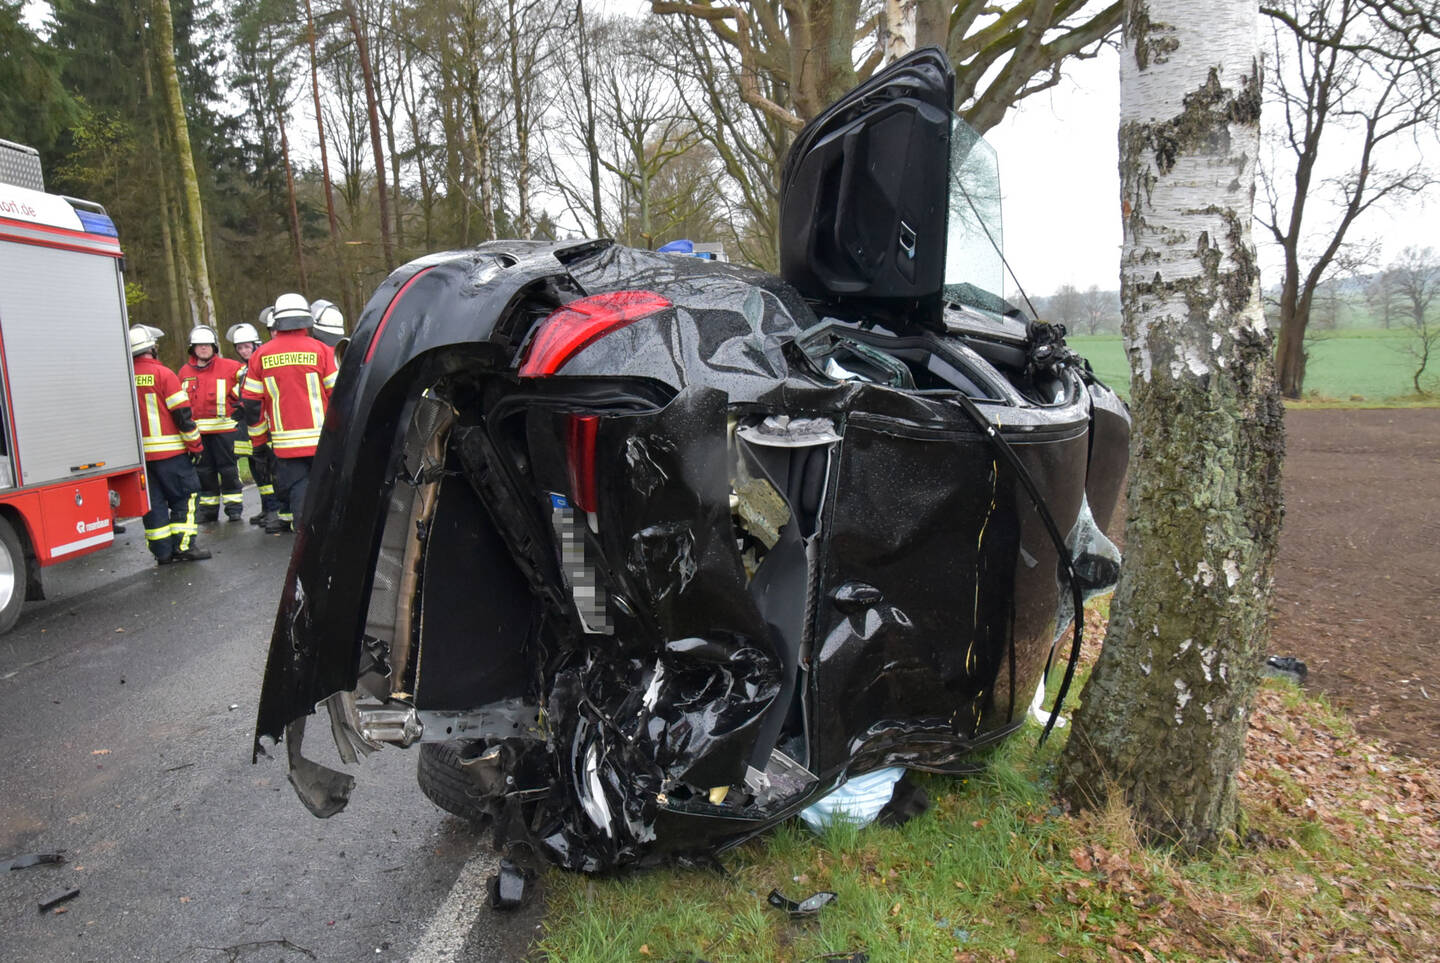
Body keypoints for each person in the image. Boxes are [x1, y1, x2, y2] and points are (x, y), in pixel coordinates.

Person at [240, 293, 338, 534]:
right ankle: (329, 536)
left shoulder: (260, 356)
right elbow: (337, 395)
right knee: (327, 488)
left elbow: (252, 404)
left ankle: (304, 542)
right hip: (321, 441)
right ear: (306, 320)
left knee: (297, 492)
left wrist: (259, 444)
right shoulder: (322, 351)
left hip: (285, 445)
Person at [130, 325, 211, 564]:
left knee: (152, 503)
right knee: (185, 497)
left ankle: (162, 552)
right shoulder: (165, 374)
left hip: (141, 458)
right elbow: (182, 416)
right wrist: (196, 446)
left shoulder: (123, 376)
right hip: (171, 454)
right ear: (152, 349)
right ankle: (184, 547)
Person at [178, 325, 245, 522]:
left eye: (207, 345)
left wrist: (237, 402)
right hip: (197, 432)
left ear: (214, 347)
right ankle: (209, 509)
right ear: (193, 349)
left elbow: (249, 382)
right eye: (199, 346)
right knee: (204, 472)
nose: (203, 348)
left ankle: (234, 507)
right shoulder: (184, 372)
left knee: (228, 469)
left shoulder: (231, 367)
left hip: (224, 430)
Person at [226, 320, 279, 526]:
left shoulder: (263, 365)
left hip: (263, 427)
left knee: (269, 468)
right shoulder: (242, 371)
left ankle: (274, 508)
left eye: (247, 346)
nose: (243, 351)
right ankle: (266, 508)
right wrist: (238, 405)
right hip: (246, 429)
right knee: (256, 469)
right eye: (240, 348)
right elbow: (238, 393)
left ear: (255, 345)